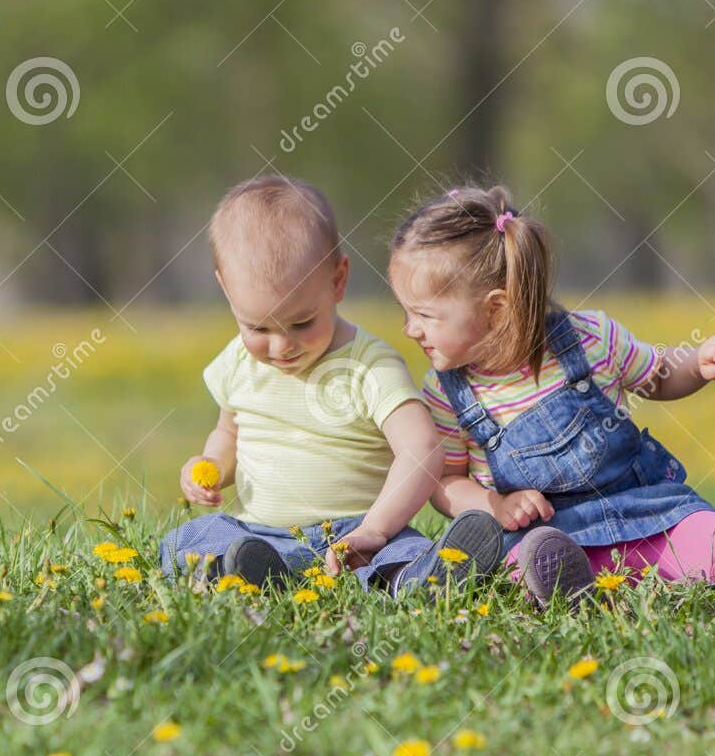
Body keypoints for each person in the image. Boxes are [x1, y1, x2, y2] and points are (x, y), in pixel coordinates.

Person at [386, 183, 715, 604]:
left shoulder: (586, 339)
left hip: (648, 515)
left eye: (424, 315)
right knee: (525, 562)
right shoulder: (448, 393)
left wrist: (700, 364)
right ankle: (568, 589)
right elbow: (446, 482)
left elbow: (657, 376)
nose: (411, 330)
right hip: (547, 535)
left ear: (497, 309)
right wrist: (495, 504)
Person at [160, 175, 502, 596]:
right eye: (258, 326)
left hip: (356, 534)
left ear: (338, 281)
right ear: (226, 291)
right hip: (261, 535)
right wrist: (209, 466)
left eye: (302, 322)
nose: (281, 345)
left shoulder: (369, 364)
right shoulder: (237, 361)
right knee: (190, 538)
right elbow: (229, 432)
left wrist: (377, 528)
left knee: (400, 550)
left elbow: (422, 449)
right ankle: (250, 572)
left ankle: (421, 579)